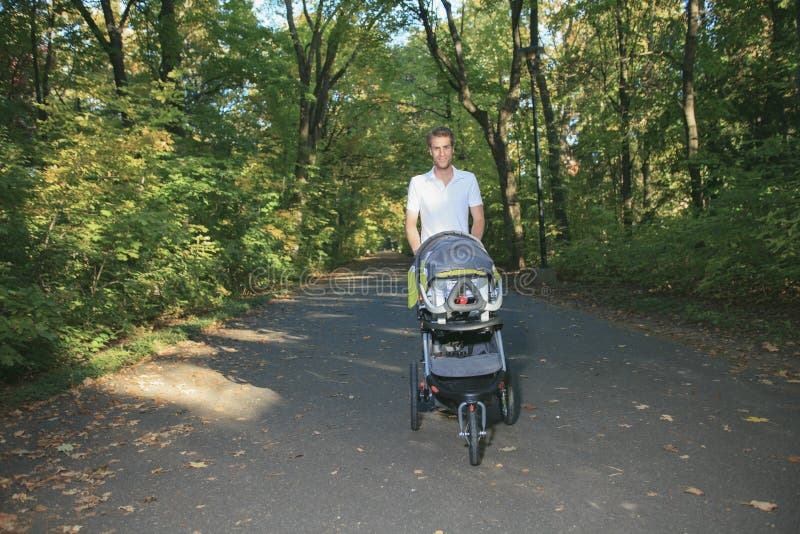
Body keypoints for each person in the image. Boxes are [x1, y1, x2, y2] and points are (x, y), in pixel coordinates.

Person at [405, 126, 485, 254]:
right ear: (430, 151)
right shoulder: (417, 182)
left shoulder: (469, 179)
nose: (442, 154)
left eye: (446, 147)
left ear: (452, 149)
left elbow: (479, 219)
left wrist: (471, 249)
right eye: (437, 148)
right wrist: (419, 254)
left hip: (462, 255)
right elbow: (410, 224)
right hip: (430, 257)